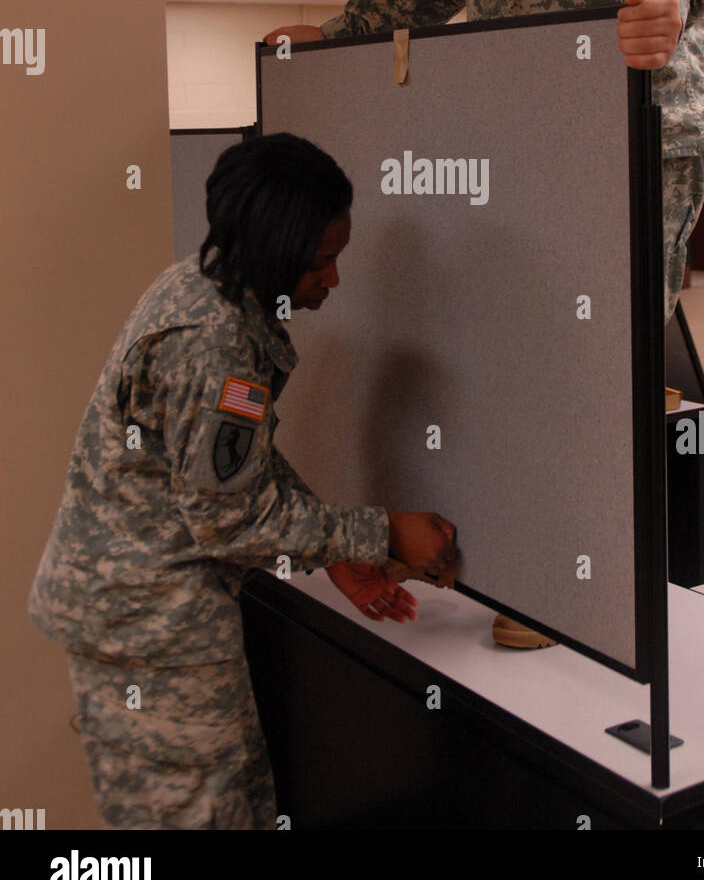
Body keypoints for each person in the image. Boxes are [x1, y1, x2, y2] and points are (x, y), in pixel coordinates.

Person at [265, 0, 704, 645]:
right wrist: (333, 38)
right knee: (524, 349)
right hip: (539, 129)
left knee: (594, 360)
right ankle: (526, 551)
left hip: (644, 127)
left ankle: (582, 587)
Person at [28, 132, 456, 828]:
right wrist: (380, 531)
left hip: (139, 612)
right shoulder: (214, 341)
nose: (335, 279)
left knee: (236, 804)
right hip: (151, 630)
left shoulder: (203, 285)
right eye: (323, 259)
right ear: (275, 247)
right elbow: (229, 518)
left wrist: (341, 553)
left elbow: (230, 470)